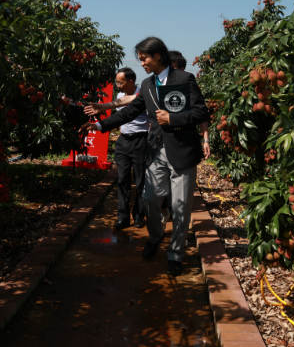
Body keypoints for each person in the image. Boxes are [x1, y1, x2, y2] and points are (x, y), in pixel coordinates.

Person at [82, 37, 209, 276]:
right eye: (140, 59)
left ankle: (175, 254)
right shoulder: (148, 85)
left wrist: (173, 119)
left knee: (181, 208)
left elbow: (201, 110)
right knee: (150, 198)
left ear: (158, 56)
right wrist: (100, 126)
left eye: (144, 58)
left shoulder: (184, 79)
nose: (142, 64)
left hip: (181, 151)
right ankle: (156, 235)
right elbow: (129, 111)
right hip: (156, 151)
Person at [101, 68, 149, 230]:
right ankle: (122, 217)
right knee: (122, 179)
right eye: (116, 82)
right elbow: (119, 116)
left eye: (120, 82)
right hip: (123, 141)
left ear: (130, 81)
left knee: (141, 180)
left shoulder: (143, 94)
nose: (117, 85)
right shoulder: (120, 96)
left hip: (141, 141)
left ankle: (138, 215)